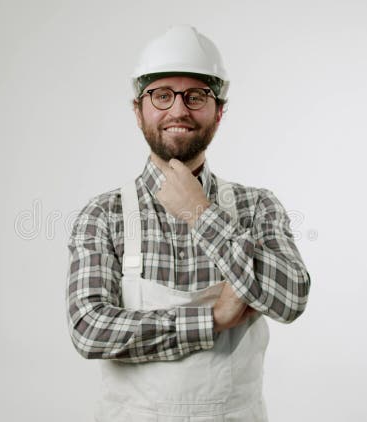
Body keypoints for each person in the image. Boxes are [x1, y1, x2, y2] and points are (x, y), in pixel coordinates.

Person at [66, 25, 311, 422]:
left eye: (196, 96)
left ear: (219, 112)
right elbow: (89, 329)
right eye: (161, 95)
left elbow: (292, 299)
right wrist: (212, 319)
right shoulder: (104, 214)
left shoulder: (257, 207)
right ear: (138, 109)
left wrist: (201, 214)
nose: (178, 110)